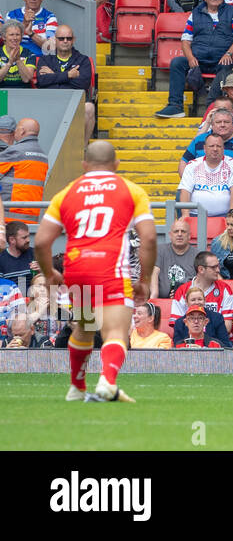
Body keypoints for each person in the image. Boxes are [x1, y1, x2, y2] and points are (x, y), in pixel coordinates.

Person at [32, 141, 158, 403]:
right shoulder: (131, 190)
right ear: (116, 165)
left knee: (85, 327)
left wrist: (51, 274)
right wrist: (144, 280)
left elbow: (42, 242)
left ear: (84, 165)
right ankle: (107, 382)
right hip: (111, 268)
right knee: (115, 332)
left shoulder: (66, 193)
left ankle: (76, 388)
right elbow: (148, 239)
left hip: (77, 270)